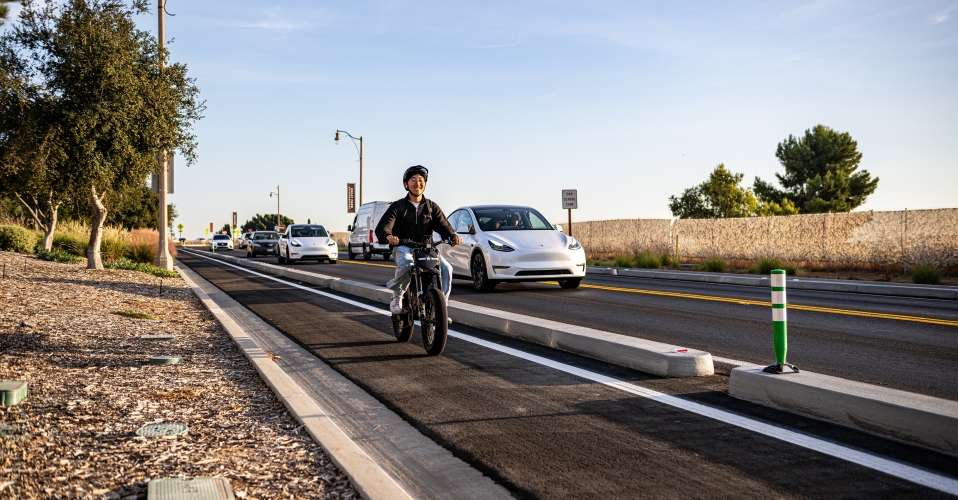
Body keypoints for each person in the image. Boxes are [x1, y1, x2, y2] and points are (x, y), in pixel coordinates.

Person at [375, 165, 462, 315]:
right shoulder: (398, 206)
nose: (417, 183)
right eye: (413, 180)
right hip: (403, 247)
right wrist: (389, 236)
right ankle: (397, 295)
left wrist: (453, 237)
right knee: (406, 264)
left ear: (425, 184)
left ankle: (442, 308)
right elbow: (383, 226)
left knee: (447, 269)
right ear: (406, 184)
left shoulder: (431, 207)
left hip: (427, 248)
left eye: (421, 180)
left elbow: (444, 226)